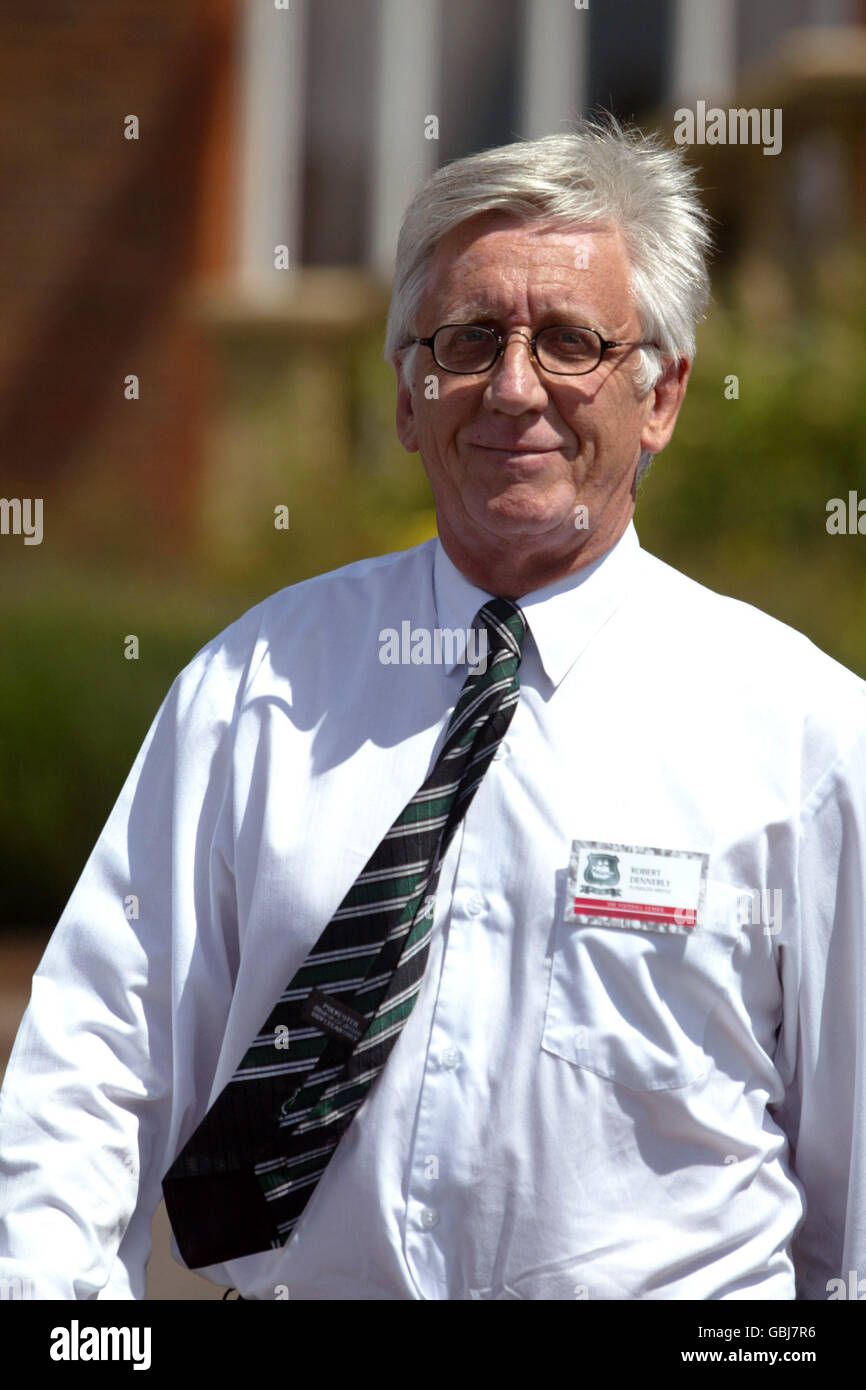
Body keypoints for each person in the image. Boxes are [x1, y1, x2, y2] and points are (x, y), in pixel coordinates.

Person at [1, 117, 865, 1302]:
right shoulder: (257, 687)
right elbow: (97, 1054)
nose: (513, 388)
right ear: (409, 395)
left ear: (659, 394)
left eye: (569, 342)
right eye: (466, 341)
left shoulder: (800, 735)